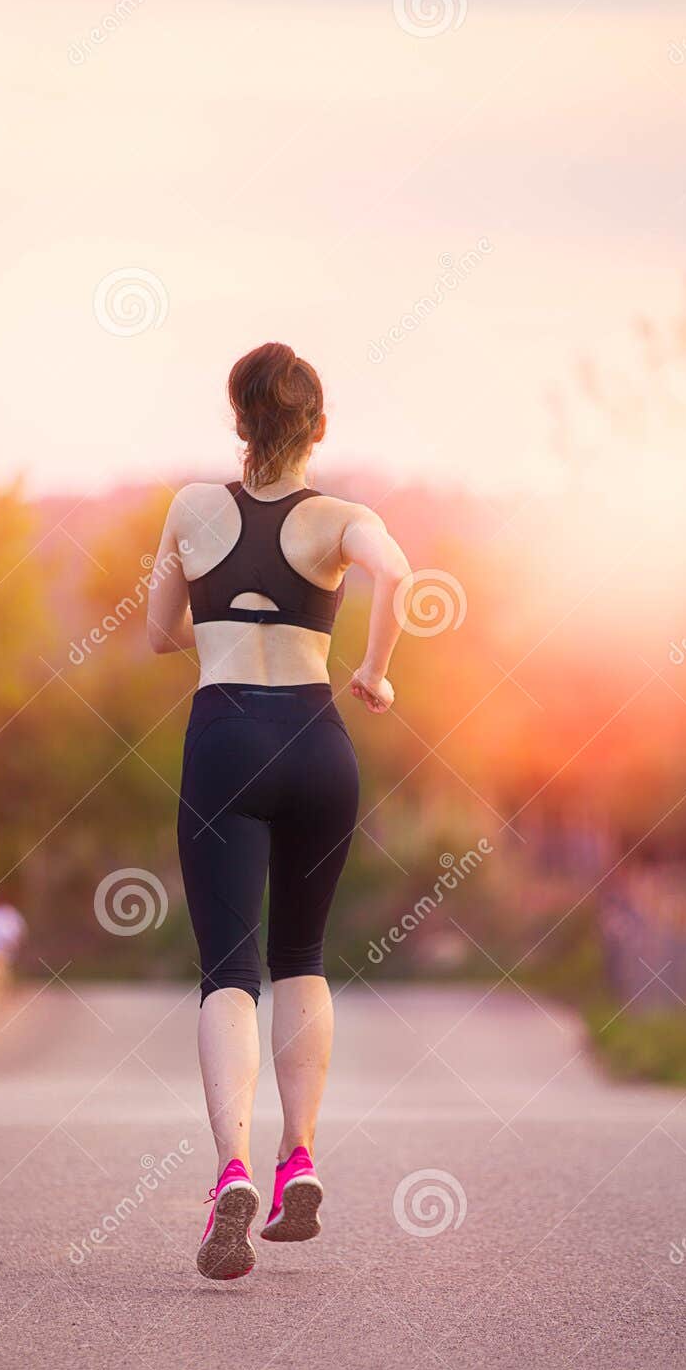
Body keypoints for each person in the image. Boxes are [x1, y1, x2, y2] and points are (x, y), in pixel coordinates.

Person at [147, 343, 410, 1280]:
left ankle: (231, 1175)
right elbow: (400, 577)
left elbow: (153, 632)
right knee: (301, 956)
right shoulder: (342, 519)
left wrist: (218, 641)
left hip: (223, 737)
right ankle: (299, 1154)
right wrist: (372, 674)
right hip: (316, 741)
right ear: (319, 428)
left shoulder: (189, 507)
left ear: (237, 422)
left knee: (230, 970)